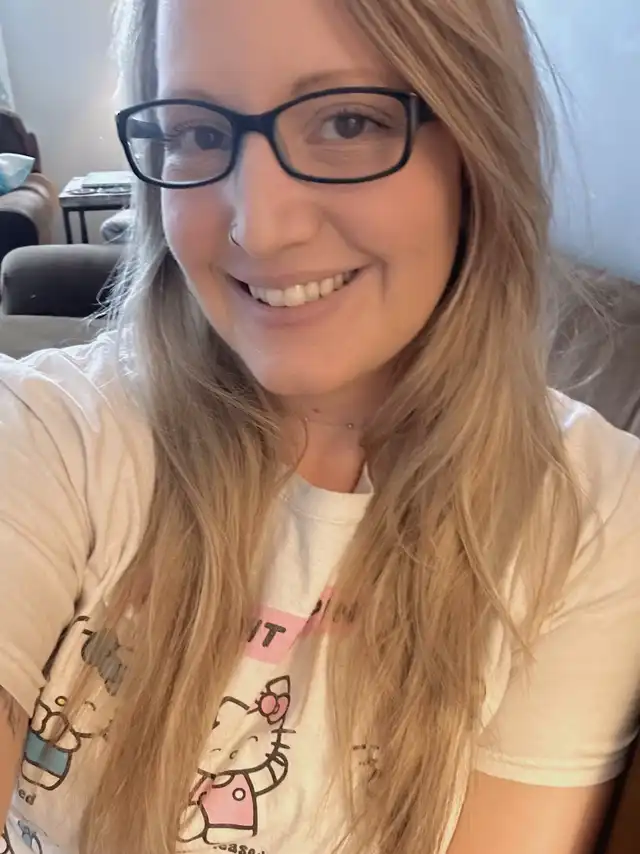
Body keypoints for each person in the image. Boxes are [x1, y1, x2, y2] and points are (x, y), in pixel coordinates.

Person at [1, 0, 639, 852]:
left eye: (347, 122)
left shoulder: (593, 517)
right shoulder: (48, 429)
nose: (260, 226)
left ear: (476, 147)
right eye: (197, 133)